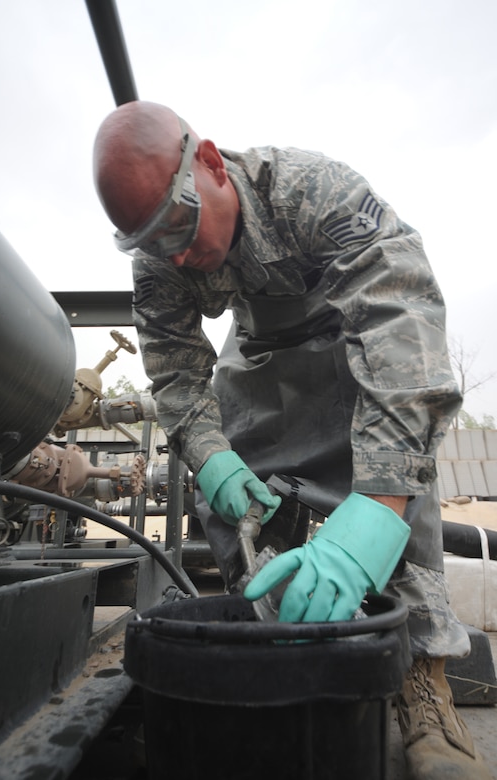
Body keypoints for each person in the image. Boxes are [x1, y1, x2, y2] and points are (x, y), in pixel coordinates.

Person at [93, 100, 491, 779]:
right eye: (152, 242)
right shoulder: (162, 253)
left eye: (180, 224)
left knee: (401, 472)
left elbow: (402, 330)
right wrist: (214, 459)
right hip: (261, 356)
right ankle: (272, 644)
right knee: (234, 497)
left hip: (356, 350)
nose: (177, 253)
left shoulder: (314, 192)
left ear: (211, 163)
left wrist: (376, 513)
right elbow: (176, 374)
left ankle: (423, 680)